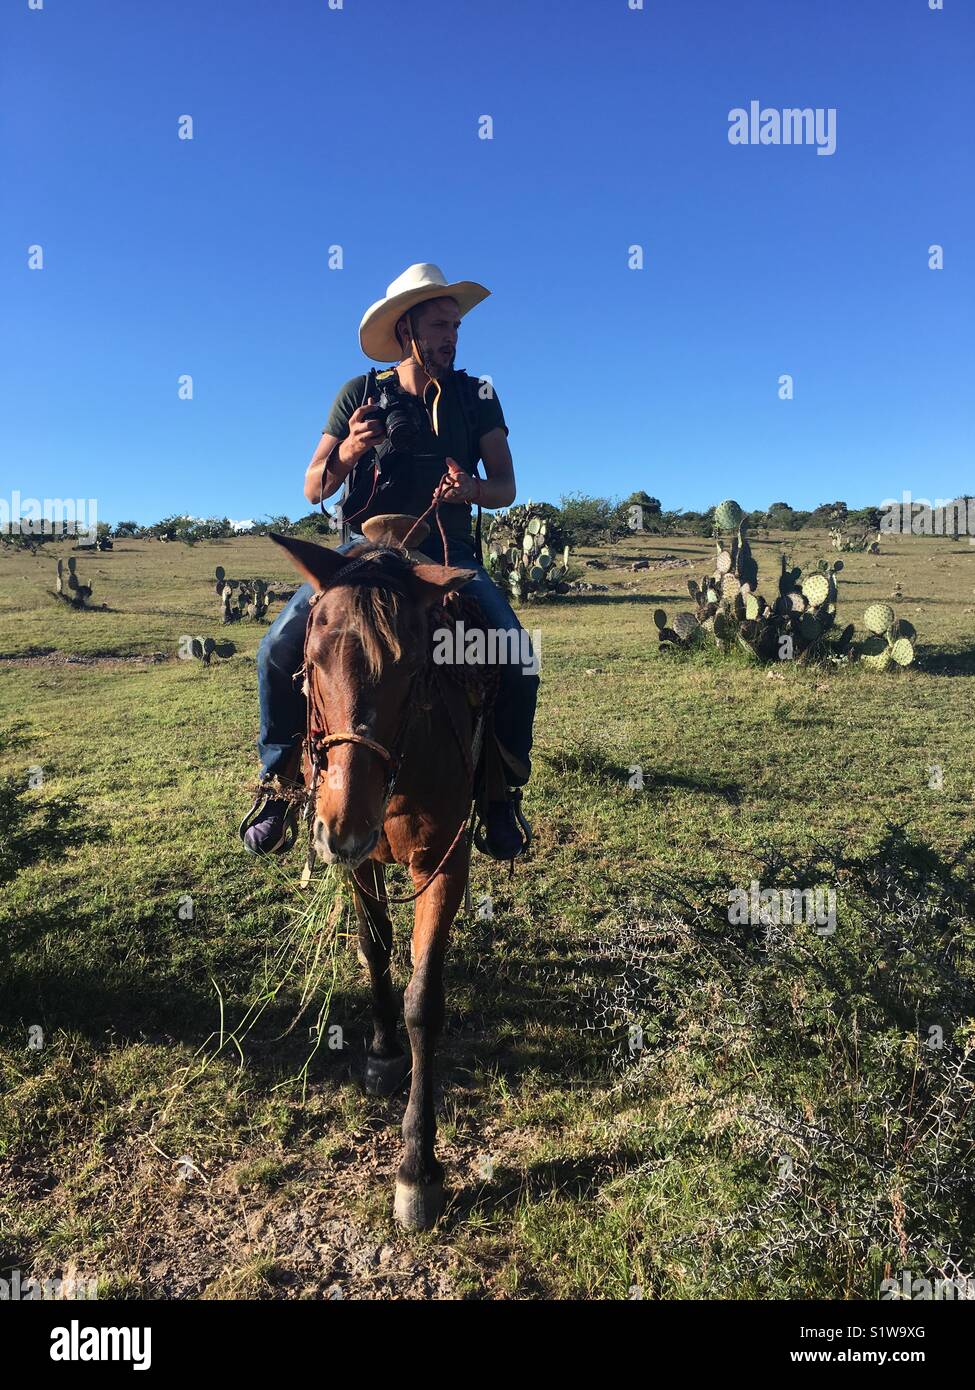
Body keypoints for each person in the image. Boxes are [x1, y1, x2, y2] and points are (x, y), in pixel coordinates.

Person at [242, 262, 538, 860]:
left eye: (455, 325)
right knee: (276, 646)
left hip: (446, 557)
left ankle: (500, 793)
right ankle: (278, 782)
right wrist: (350, 449)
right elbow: (313, 486)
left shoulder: (476, 393)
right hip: (362, 557)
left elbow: (505, 484)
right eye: (438, 325)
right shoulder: (360, 391)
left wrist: (471, 491)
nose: (451, 337)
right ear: (407, 329)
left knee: (515, 653)